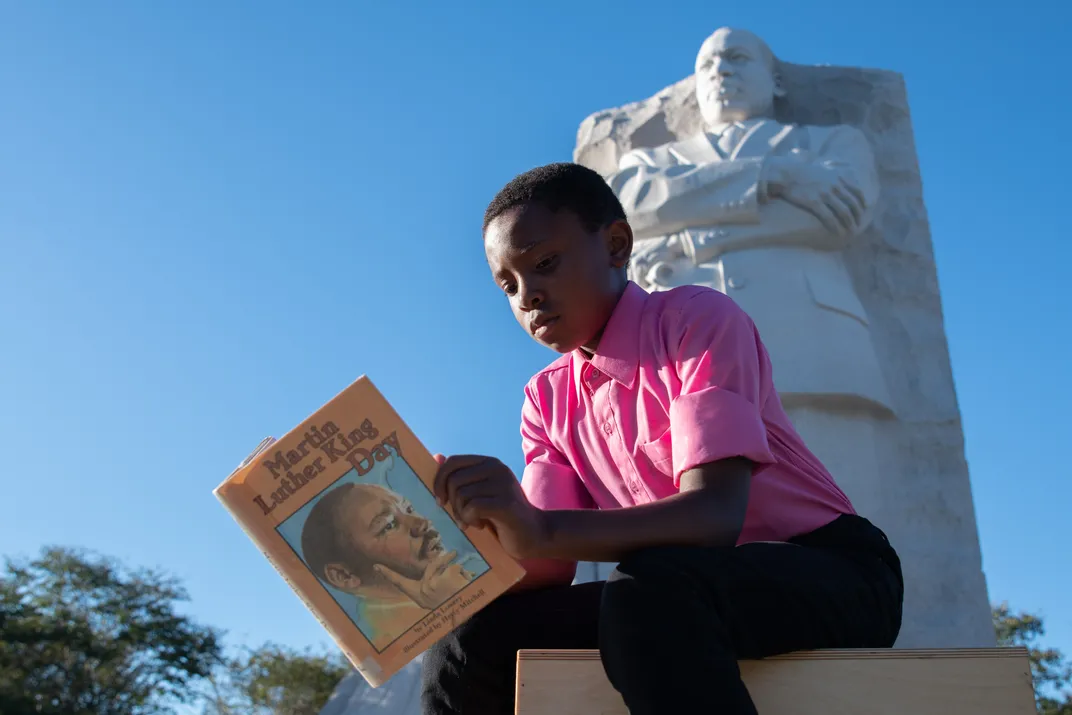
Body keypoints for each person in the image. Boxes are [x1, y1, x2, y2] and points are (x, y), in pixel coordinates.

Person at [421, 162, 903, 715]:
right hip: (674, 594)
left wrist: (539, 528)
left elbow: (716, 515)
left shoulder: (695, 321)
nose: (528, 296)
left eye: (545, 264)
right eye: (508, 285)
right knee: (468, 642)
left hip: (832, 573)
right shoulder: (545, 399)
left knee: (646, 589)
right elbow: (547, 562)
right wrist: (473, 537)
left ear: (617, 245)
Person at [301, 482, 478, 649]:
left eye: (409, 509)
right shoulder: (387, 645)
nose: (421, 523)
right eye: (388, 525)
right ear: (343, 575)